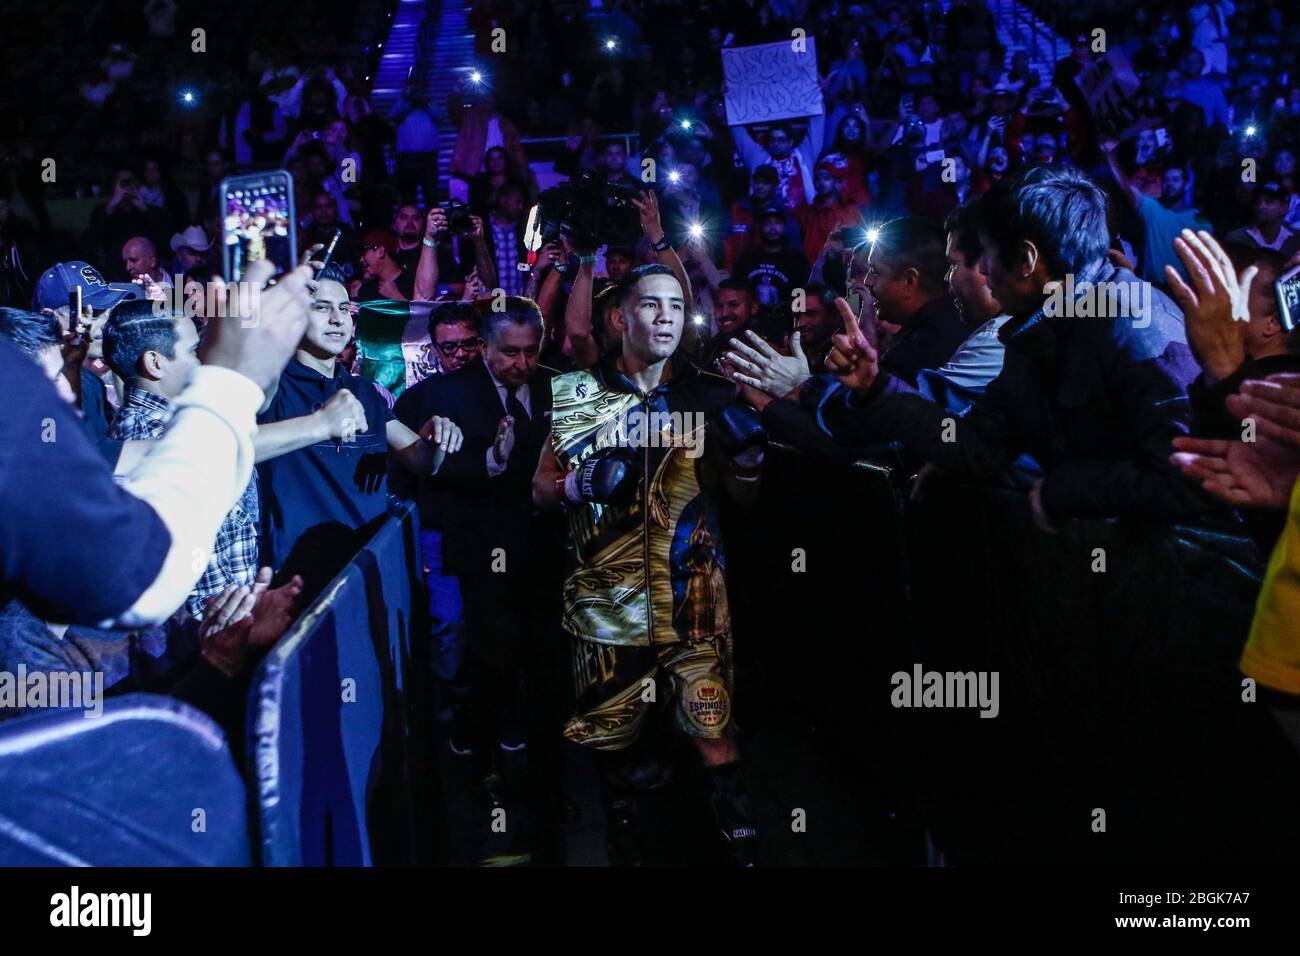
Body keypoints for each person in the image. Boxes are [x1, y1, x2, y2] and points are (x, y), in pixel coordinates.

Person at [817, 164, 1216, 525]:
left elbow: (1188, 483)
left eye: (987, 253)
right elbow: (976, 445)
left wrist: (1062, 492)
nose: (984, 270)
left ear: (1026, 260)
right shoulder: (1039, 332)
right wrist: (875, 387)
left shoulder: (1139, 333)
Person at [532, 263, 768, 865]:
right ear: (620, 317)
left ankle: (740, 851)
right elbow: (540, 487)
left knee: (714, 732)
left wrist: (747, 464)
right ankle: (630, 849)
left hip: (693, 600)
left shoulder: (708, 393)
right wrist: (576, 486)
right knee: (618, 748)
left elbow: (743, 499)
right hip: (606, 608)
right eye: (650, 305)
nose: (665, 316)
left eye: (674, 305)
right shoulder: (577, 392)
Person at [2, 258, 315, 629]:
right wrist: (230, 379)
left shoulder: (73, 410)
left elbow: (143, 455)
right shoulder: (32, 409)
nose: (106, 322)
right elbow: (136, 578)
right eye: (95, 310)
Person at [398, 300, 564, 833]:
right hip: (478, 547)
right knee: (492, 652)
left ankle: (535, 762)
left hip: (542, 546)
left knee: (541, 653)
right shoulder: (440, 395)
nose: (520, 363)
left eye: (529, 351)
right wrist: (487, 463)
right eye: (509, 352)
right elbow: (422, 475)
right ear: (486, 347)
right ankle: (487, 756)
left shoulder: (555, 386)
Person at [252, 263, 463, 597]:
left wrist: (437, 438)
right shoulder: (273, 384)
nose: (337, 319)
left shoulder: (363, 391)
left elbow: (422, 461)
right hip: (297, 576)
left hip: (367, 568)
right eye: (321, 308)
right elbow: (236, 444)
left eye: (344, 309)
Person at [103, 299, 261, 620]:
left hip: (232, 622)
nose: (201, 360)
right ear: (155, 363)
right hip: (205, 633)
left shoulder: (181, 418)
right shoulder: (145, 432)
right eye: (192, 351)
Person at [1103, 139, 1212, 287]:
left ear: (1186, 184)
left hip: (1185, 289)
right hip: (1153, 288)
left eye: (1175, 179)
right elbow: (1125, 187)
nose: (1170, 184)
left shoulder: (1199, 220)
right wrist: (1111, 157)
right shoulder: (1152, 209)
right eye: (1167, 179)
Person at [733, 206, 810, 308]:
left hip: (785, 321)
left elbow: (803, 300)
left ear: (785, 226)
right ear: (760, 226)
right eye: (767, 223)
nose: (772, 228)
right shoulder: (746, 260)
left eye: (777, 223)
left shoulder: (798, 261)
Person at [1224, 183, 1300, 259]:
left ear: (1284, 208)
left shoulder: (1297, 239)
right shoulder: (1237, 239)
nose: (1260, 207)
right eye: (1258, 202)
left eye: (1268, 202)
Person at [355, 230, 414, 303]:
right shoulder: (367, 290)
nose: (361, 259)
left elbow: (421, 313)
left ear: (380, 251)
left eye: (364, 252)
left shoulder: (411, 282)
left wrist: (396, 297)